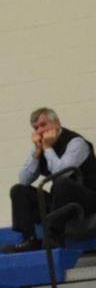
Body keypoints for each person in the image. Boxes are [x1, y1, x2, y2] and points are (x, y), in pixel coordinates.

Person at [5, 106, 94, 253]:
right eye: (36, 128)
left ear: (57, 123)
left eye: (43, 125)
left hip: (87, 199)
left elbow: (61, 173)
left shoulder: (76, 143)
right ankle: (29, 239)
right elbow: (23, 180)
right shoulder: (41, 148)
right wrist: (37, 151)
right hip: (61, 202)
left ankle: (53, 238)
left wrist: (47, 148)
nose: (40, 130)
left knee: (62, 183)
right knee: (19, 190)